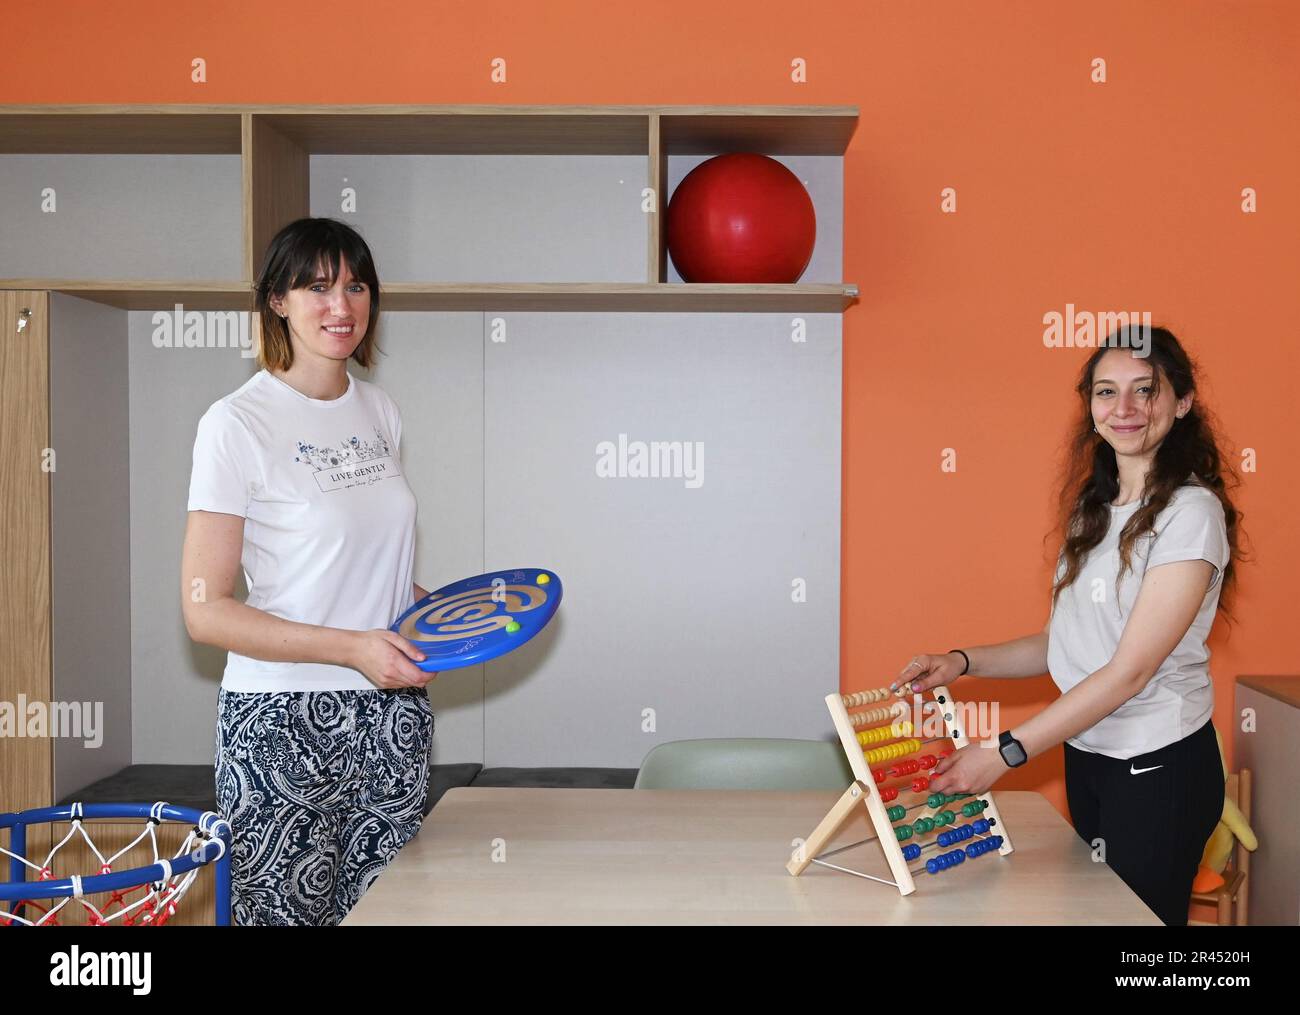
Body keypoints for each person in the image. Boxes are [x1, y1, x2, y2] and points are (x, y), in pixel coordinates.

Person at [894, 325, 1242, 926]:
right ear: (1090, 406)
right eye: (1106, 392)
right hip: (1087, 755)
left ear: (1182, 402)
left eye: (1146, 390)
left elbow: (1130, 670)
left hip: (1156, 766)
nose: (1124, 409)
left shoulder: (1192, 514)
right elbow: (1067, 641)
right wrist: (963, 660)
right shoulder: (1096, 509)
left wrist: (1005, 752)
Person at [181, 217, 437, 926]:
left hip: (392, 717)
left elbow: (364, 569)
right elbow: (206, 610)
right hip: (280, 721)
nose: (341, 305)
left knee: (393, 915)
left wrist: (446, 616)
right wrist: (354, 647)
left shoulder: (379, 410)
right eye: (317, 286)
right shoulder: (236, 424)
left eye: (356, 286)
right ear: (276, 301)